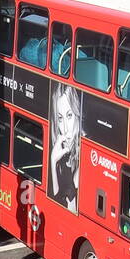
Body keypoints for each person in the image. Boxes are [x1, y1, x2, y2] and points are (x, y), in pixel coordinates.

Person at [49, 82, 82, 214]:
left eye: (69, 116)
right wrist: (53, 161)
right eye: (60, 119)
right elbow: (56, 206)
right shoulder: (61, 155)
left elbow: (71, 208)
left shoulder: (86, 155)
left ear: (77, 115)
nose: (65, 129)